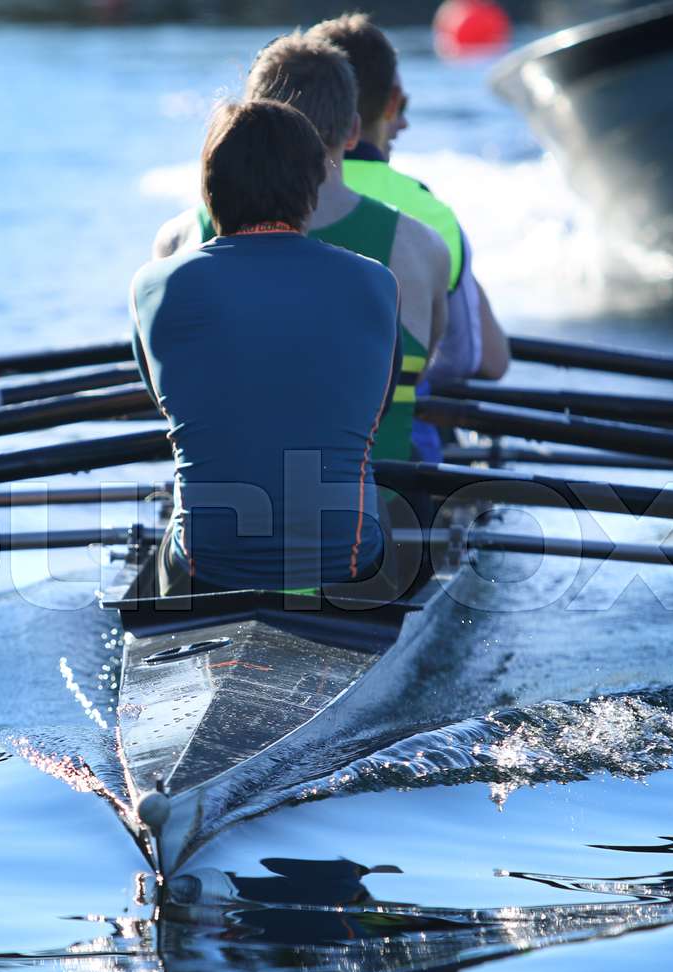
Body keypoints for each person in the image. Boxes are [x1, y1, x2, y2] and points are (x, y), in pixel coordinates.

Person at [130, 100, 401, 595]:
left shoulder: (153, 286)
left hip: (207, 565)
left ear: (210, 187)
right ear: (312, 187)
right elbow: (374, 413)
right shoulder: (376, 282)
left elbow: (169, 407)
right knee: (370, 484)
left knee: (183, 482)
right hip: (346, 560)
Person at [152, 34, 448, 468]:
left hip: (226, 504)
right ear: (352, 130)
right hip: (384, 500)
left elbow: (164, 396)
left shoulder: (178, 241)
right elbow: (419, 375)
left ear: (247, 126)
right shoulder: (422, 247)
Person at [307, 12, 511, 462]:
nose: (405, 126)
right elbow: (481, 360)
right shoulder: (428, 215)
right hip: (393, 451)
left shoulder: (244, 199)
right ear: (390, 103)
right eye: (404, 109)